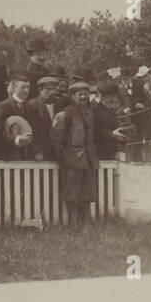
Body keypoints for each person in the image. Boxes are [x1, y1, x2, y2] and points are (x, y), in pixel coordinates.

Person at [51, 81, 99, 225]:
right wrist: (63, 157)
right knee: (72, 193)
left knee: (88, 192)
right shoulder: (65, 114)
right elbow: (56, 138)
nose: (83, 97)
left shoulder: (90, 112)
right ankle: (72, 223)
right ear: (73, 96)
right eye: (80, 94)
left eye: (86, 94)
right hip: (73, 158)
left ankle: (86, 222)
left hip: (89, 158)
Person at [0, 73, 44, 160]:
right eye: (22, 87)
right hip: (8, 156)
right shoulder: (3, 106)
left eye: (28, 87)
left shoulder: (31, 107)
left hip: (28, 156)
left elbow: (36, 131)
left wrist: (37, 151)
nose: (26, 90)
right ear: (14, 88)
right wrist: (17, 139)